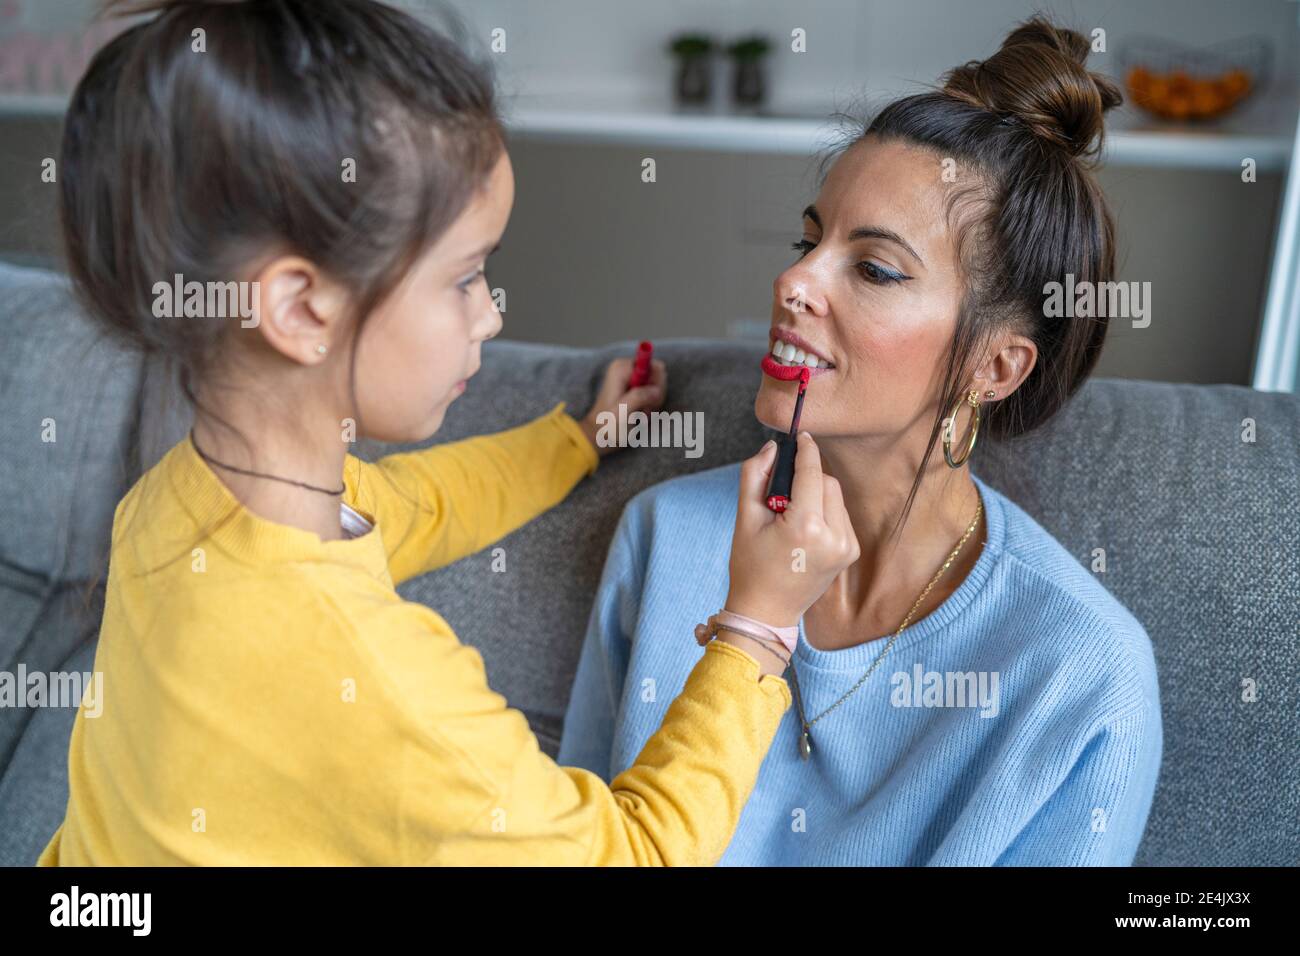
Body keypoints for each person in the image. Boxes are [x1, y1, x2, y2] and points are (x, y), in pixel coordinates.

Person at [36, 0, 857, 866]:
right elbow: (635, 856)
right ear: (300, 308)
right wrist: (759, 623)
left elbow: (412, 503)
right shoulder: (382, 686)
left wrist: (573, 441)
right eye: (466, 276)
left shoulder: (181, 502)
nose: (491, 317)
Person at [559, 13, 1163, 866]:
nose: (793, 281)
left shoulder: (1083, 676)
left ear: (995, 368)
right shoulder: (667, 541)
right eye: (810, 239)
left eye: (874, 268)